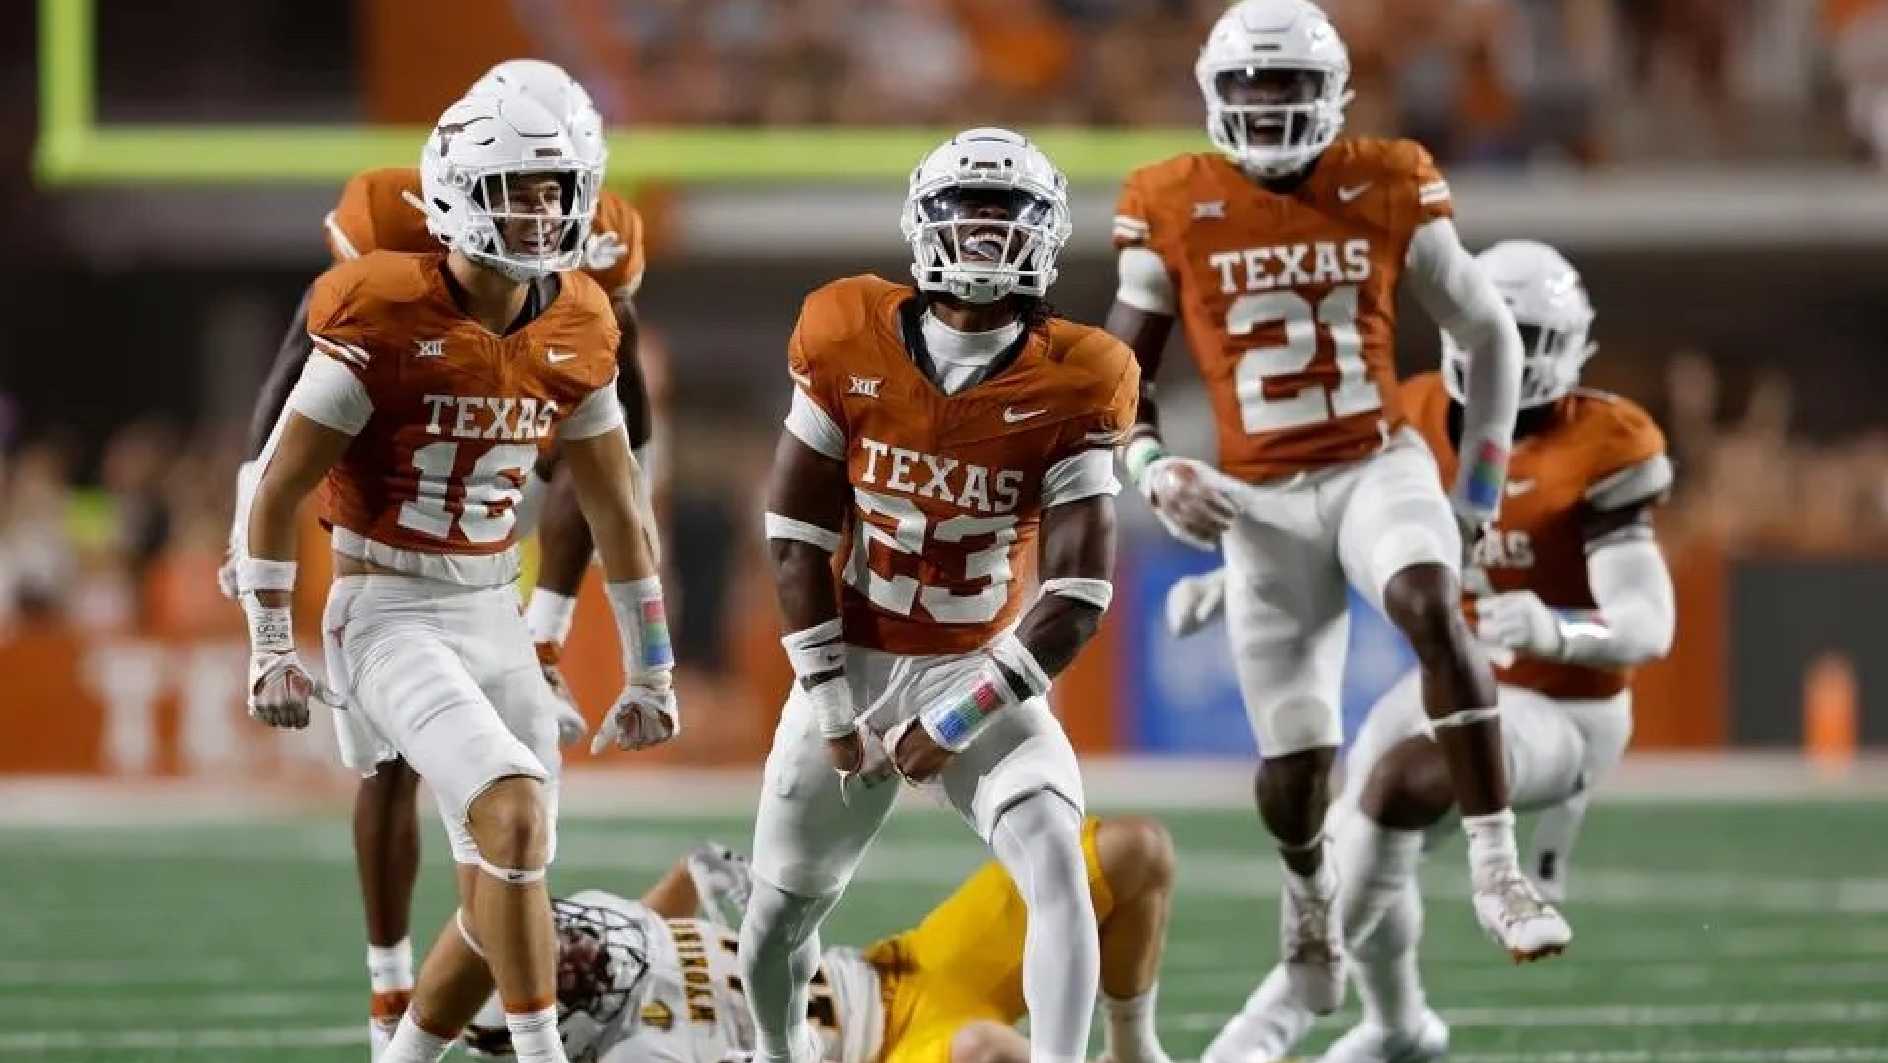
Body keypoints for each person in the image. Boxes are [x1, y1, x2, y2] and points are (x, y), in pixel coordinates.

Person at [1104, 0, 1554, 1013]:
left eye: (1288, 87)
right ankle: (1307, 893)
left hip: (1372, 465)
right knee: (1295, 770)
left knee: (1431, 606)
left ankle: (1496, 864)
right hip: (1257, 501)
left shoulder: (1386, 177)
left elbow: (1486, 334)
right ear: (1215, 96)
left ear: (1333, 96)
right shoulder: (1170, 198)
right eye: (1249, 87)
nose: (1266, 107)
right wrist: (1149, 467)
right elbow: (1117, 370)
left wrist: (1475, 492)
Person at [219, 58, 657, 1052]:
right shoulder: (385, 244)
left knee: (514, 856)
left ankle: (427, 1035)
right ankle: (392, 982)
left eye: (562, 184)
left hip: (491, 578)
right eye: (521, 186)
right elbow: (290, 415)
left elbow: (615, 468)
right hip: (387, 576)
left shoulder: (586, 273)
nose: (544, 212)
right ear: (462, 184)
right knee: (436, 789)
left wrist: (565, 631)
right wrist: (259, 582)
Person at [1192, 241, 1676, 1063]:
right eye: (1502, 330)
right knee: (1351, 835)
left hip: (1566, 706)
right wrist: (1241, 573)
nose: (1511, 354)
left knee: (1398, 785)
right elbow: (1335, 520)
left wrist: (1561, 628)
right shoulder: (1408, 412)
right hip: (1451, 680)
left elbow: (1649, 623)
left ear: (1573, 349)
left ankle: (1259, 1035)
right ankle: (1400, 1026)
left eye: (1532, 336)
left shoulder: (1604, 443)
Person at [745, 127, 1139, 1063]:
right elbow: (794, 535)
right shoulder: (846, 332)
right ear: (924, 223)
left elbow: (1079, 592)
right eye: (967, 212)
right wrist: (835, 706)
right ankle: (771, 1051)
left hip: (982, 666)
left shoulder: (1082, 375)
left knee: (1057, 865)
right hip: (858, 658)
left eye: (1008, 217)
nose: (984, 234)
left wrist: (958, 719)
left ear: (1046, 236)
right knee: (774, 918)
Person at [461, 818, 1177, 1063]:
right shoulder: (634, 1054)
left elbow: (656, 909)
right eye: (561, 966)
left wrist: (707, 871)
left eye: (556, 940)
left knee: (1132, 852)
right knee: (983, 1053)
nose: (575, 946)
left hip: (898, 967)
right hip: (884, 1052)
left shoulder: (597, 927)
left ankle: (1131, 1045)